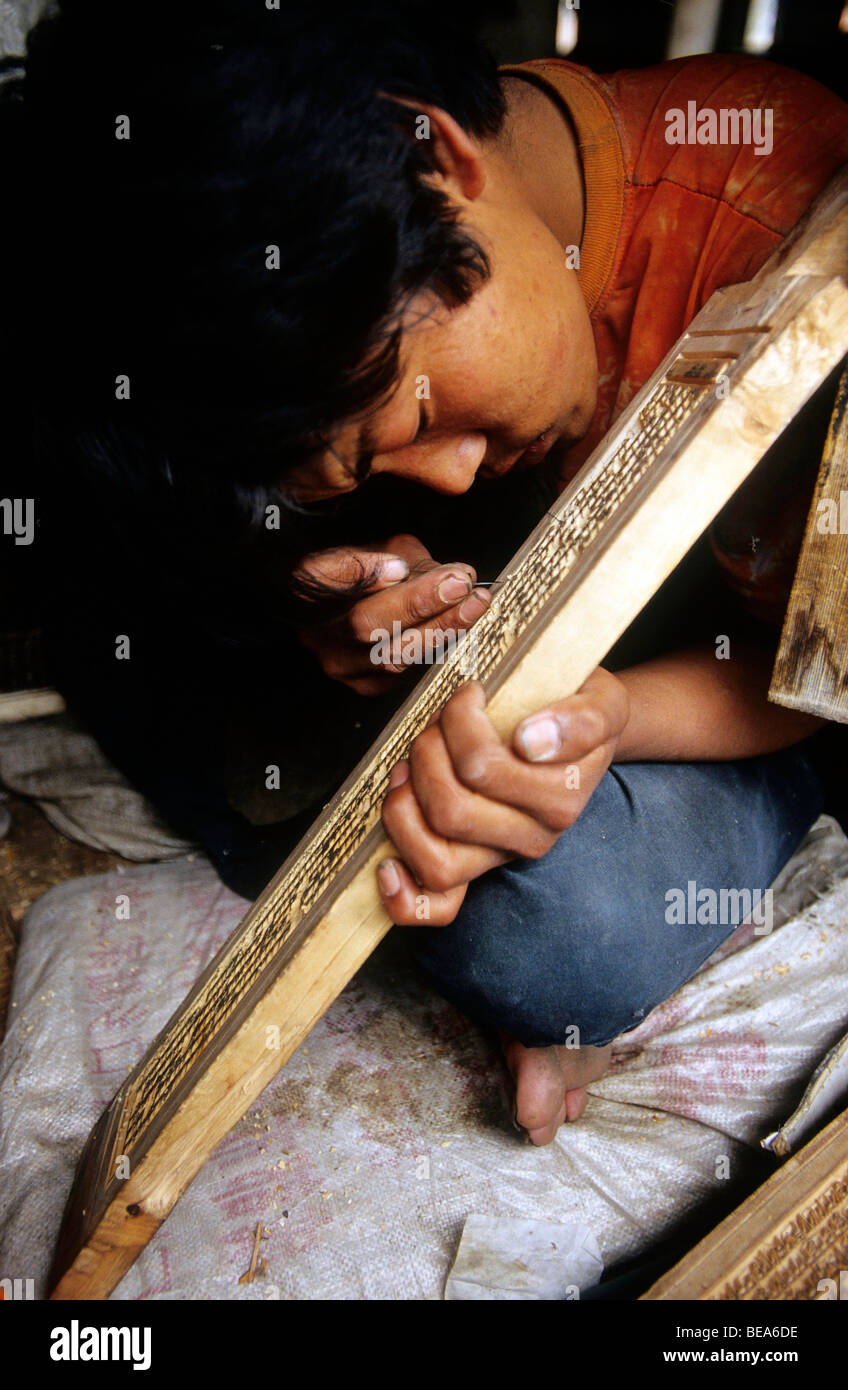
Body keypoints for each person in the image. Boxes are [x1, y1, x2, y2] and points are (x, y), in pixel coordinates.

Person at [5, 1, 847, 1145]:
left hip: (750, 694)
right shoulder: (367, 277)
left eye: (412, 410)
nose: (444, 477)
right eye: (363, 461)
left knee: (552, 934)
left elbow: (809, 681)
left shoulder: (785, 257)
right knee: (157, 615)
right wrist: (346, 607)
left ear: (436, 153)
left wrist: (607, 712)